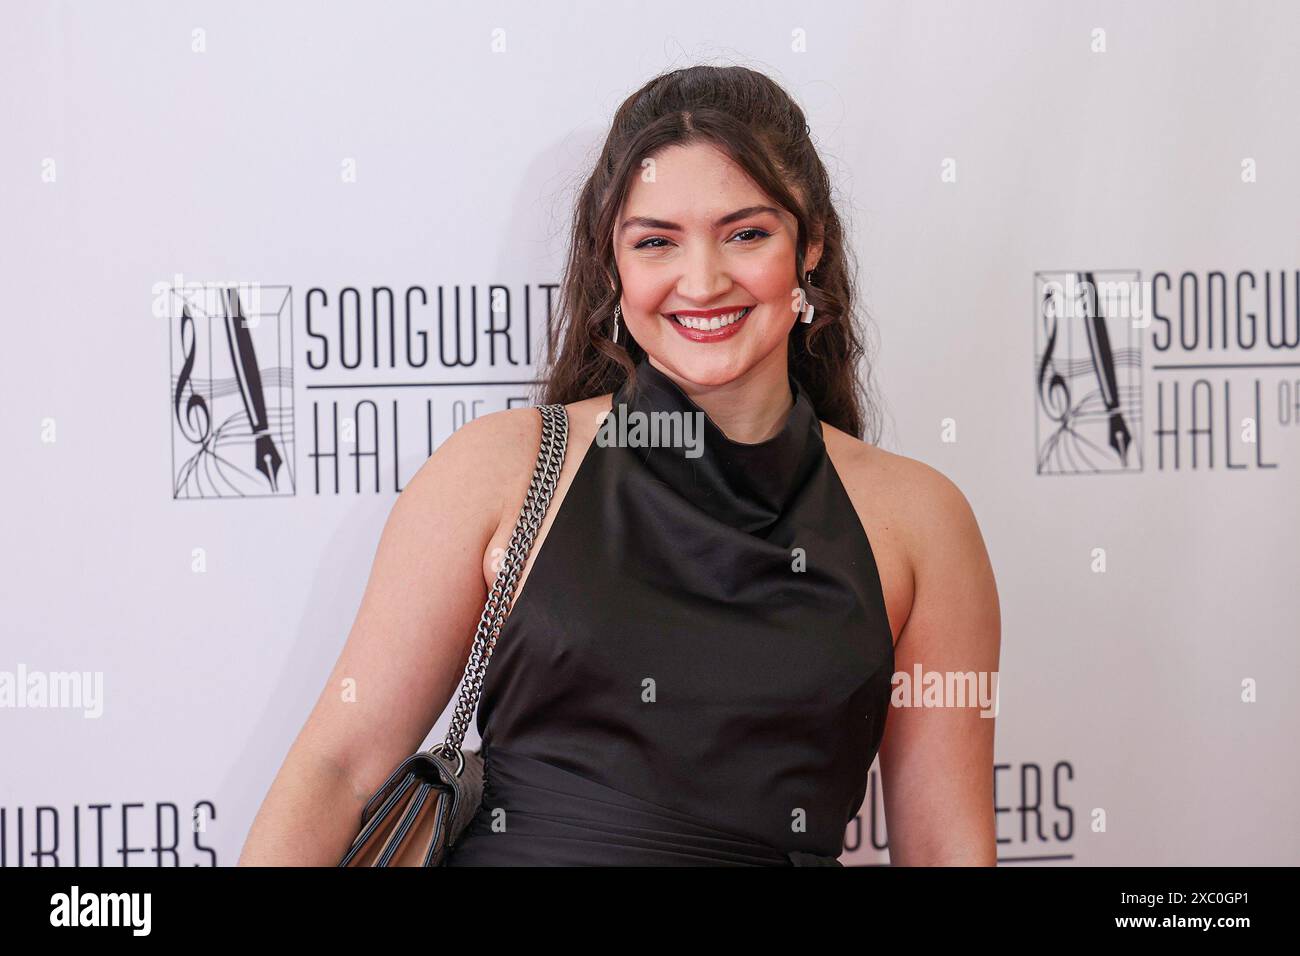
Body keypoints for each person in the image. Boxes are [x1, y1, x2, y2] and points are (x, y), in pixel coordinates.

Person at [238, 64, 1000, 867]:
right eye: (656, 242)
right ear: (612, 263)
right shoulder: (501, 470)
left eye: (746, 233)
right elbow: (337, 771)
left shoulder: (921, 523)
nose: (702, 282)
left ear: (810, 243)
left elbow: (948, 848)